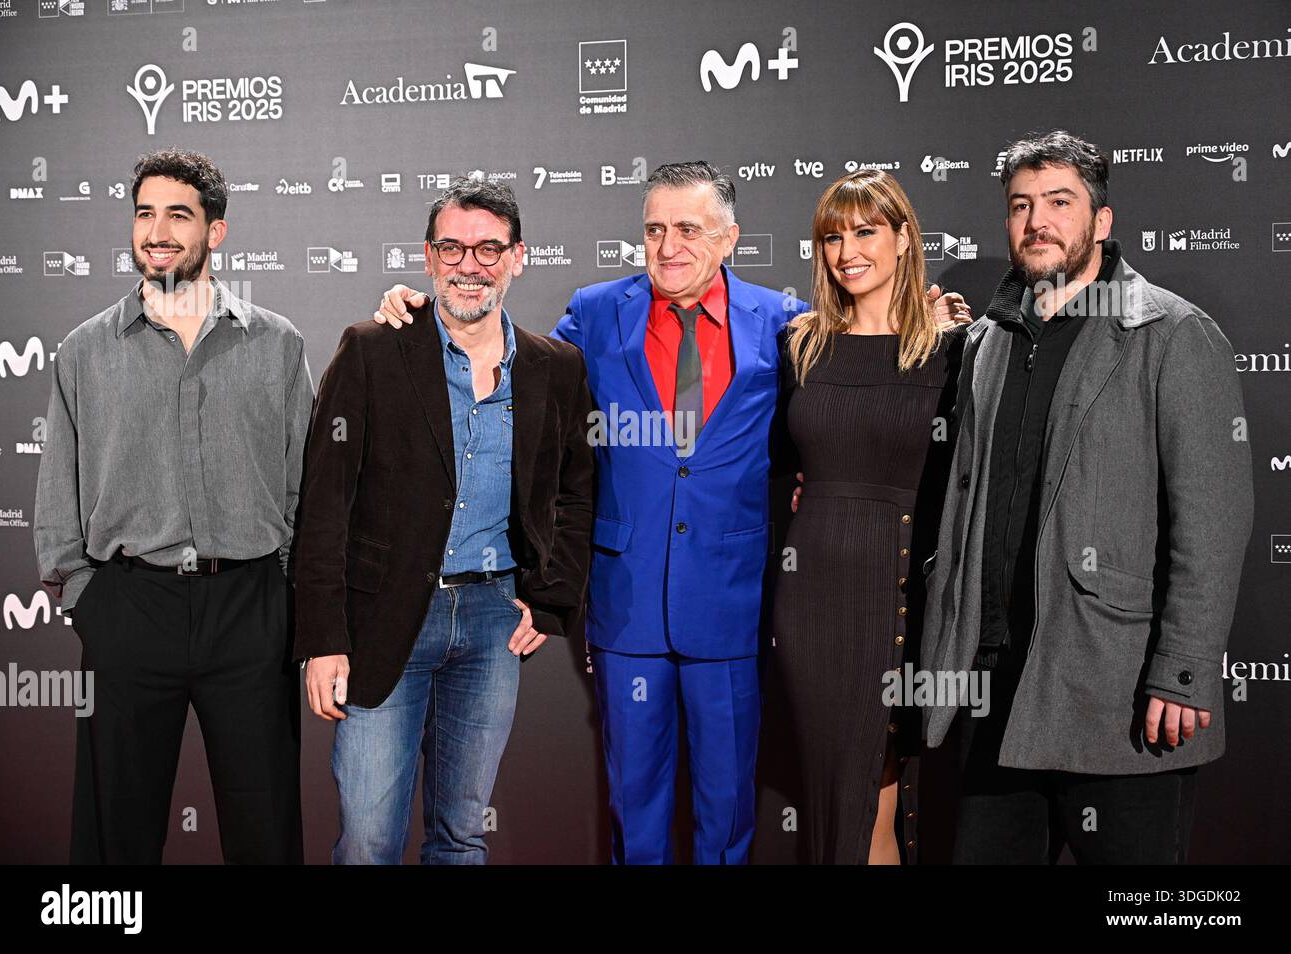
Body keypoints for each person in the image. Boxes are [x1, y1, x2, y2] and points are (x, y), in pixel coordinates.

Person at [374, 161, 967, 865]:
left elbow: (853, 398)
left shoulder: (783, 325)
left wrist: (934, 321)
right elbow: (519, 369)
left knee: (727, 817)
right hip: (629, 606)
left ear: (729, 238)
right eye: (654, 229)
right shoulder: (596, 312)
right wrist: (429, 313)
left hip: (735, 601)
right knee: (638, 813)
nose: (668, 245)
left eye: (688, 229)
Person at [919, 130, 1253, 864]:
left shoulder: (1173, 334)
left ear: (1102, 221)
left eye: (1059, 202)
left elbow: (1212, 523)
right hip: (988, 688)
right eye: (1021, 205)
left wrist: (1184, 669)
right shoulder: (985, 344)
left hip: (1120, 689)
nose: (1037, 221)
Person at [294, 176, 593, 864]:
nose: (470, 265)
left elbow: (578, 493)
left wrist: (548, 602)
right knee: (369, 839)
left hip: (492, 621)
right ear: (428, 259)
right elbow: (325, 502)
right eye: (452, 248)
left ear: (519, 257)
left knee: (460, 836)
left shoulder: (557, 367)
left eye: (490, 250)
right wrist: (323, 638)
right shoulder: (373, 348)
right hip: (385, 617)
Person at [34, 147, 312, 864]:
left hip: (250, 612)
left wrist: (280, 590)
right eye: (145, 213)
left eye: (178, 215)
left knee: (267, 829)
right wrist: (86, 595)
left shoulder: (277, 345)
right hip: (129, 608)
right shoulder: (83, 351)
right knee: (113, 835)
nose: (157, 230)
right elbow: (58, 494)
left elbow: (303, 484)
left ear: (215, 232)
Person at [774, 169, 968, 865]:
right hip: (810, 594)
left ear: (904, 239)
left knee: (872, 793)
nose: (847, 250)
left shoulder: (948, 350)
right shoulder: (802, 344)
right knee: (835, 791)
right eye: (832, 236)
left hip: (896, 588)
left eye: (865, 231)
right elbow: (776, 465)